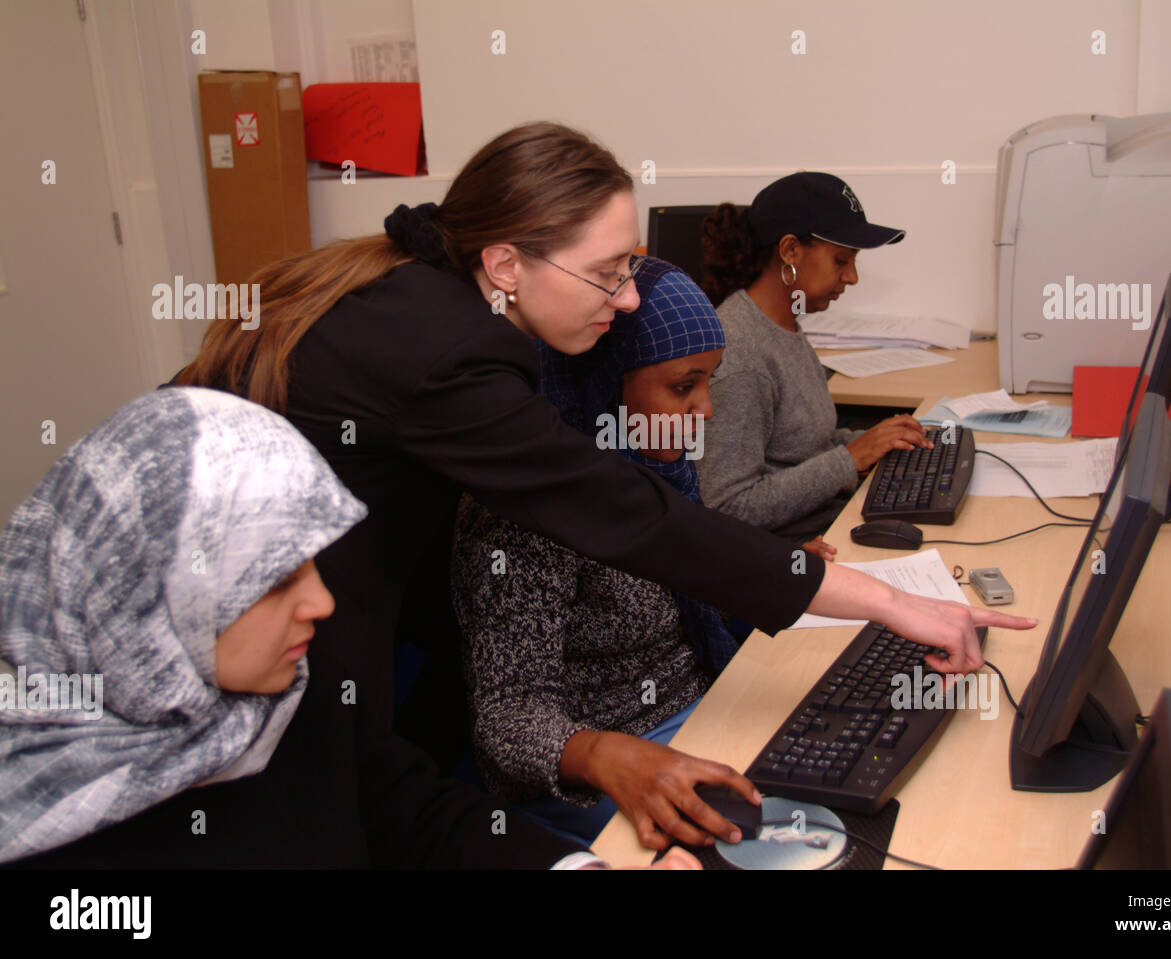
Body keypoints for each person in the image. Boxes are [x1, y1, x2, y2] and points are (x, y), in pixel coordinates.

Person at [173, 122, 1034, 780]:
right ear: (507, 262)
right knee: (325, 800)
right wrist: (890, 603)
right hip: (245, 606)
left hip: (281, 583)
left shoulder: (433, 288)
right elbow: (624, 515)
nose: (627, 300)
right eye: (609, 272)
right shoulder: (454, 349)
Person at [1, 388, 680, 869]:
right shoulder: (46, 823)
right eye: (275, 581)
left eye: (312, 566)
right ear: (143, 601)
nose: (322, 603)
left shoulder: (292, 684)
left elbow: (412, 814)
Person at [453, 258, 763, 851]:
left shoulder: (654, 465)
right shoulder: (526, 509)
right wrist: (606, 753)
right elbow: (507, 718)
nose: (706, 410)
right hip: (598, 772)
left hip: (698, 713)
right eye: (682, 387)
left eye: (707, 384)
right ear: (605, 384)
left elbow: (695, 581)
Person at [697, 171, 934, 545]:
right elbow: (728, 507)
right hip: (797, 550)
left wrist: (878, 441)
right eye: (842, 260)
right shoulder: (740, 353)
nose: (852, 277)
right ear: (790, 251)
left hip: (823, 525)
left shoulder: (783, 324)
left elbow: (804, 446)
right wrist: (851, 458)